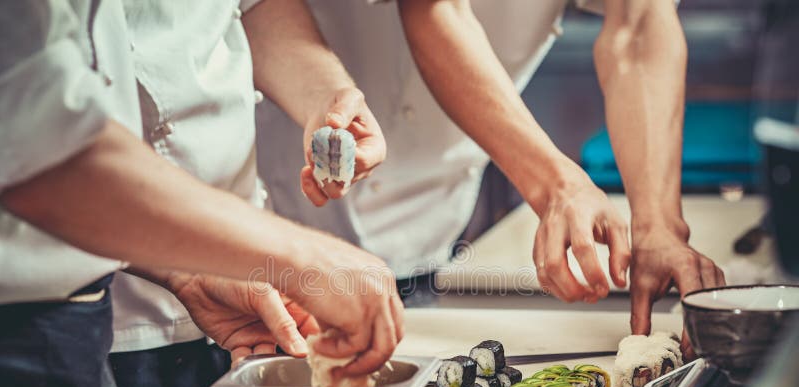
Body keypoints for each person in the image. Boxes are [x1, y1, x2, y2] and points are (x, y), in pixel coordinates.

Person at [0, 1, 399, 387]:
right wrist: (306, 255)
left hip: (186, 288)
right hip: (33, 327)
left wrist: (189, 271)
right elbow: (38, 144)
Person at [257, 0, 726, 349]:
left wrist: (660, 226)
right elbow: (435, 10)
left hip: (424, 234)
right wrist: (556, 183)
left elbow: (639, 24)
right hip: (268, 222)